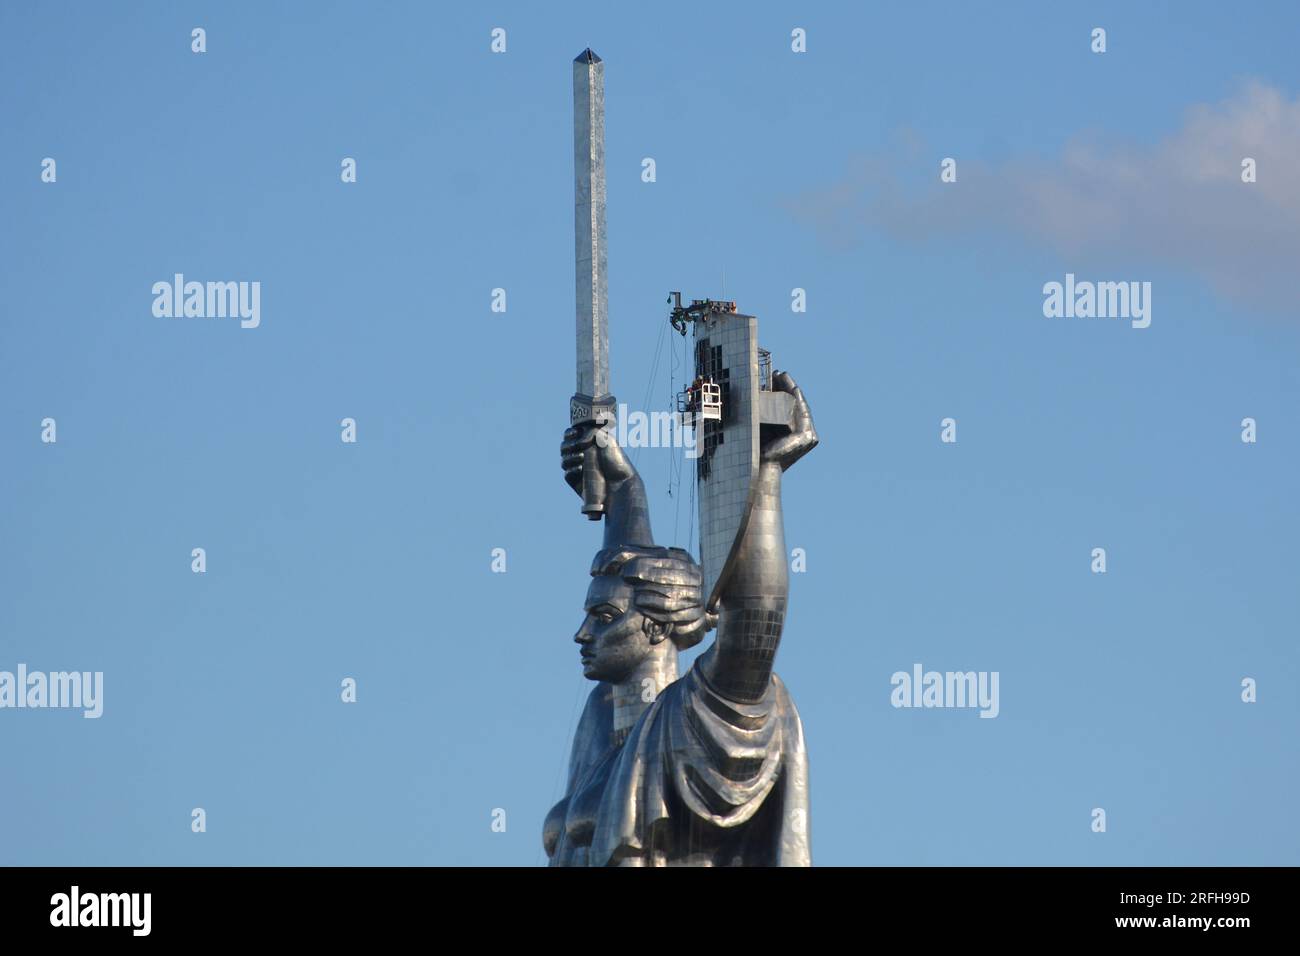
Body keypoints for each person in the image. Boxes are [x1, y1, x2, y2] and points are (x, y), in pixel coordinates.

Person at [544, 372, 818, 866]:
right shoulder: (603, 714)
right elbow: (627, 561)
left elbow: (755, 625)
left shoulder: (695, 714)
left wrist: (766, 477)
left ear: (656, 626)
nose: (583, 634)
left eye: (603, 618)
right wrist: (624, 485)